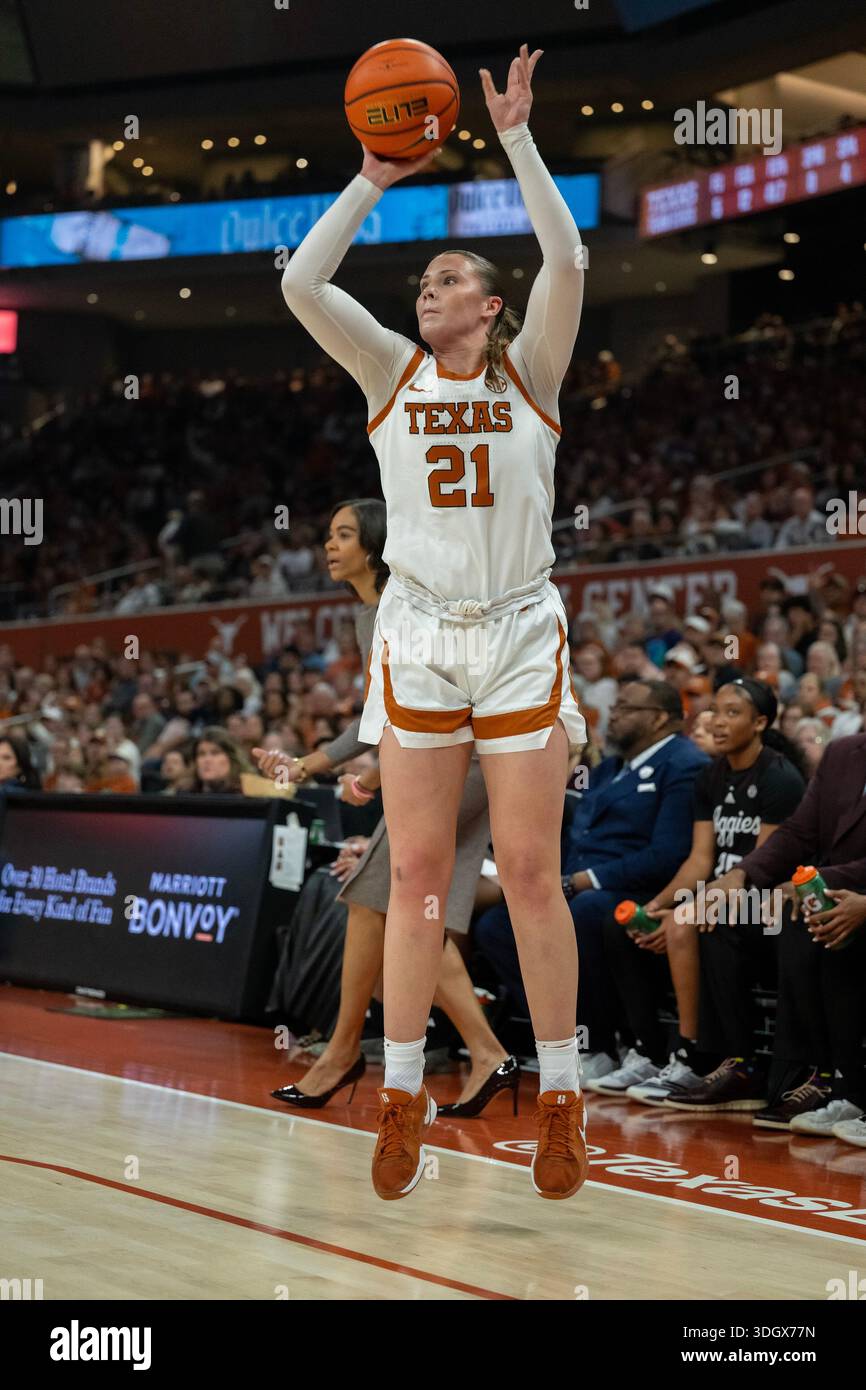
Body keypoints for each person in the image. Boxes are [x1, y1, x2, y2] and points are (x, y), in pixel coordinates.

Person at [279, 45, 589, 1201]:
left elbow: (566, 251)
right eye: (420, 285)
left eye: (446, 281)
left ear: (491, 305)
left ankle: (560, 1098)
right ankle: (399, 1093)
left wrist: (512, 135)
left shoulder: (533, 372)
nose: (424, 293)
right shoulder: (389, 375)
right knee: (411, 874)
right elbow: (302, 287)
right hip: (418, 633)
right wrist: (369, 176)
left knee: (528, 873)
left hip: (515, 629)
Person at [255, 500, 516, 1117]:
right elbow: (385, 714)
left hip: (464, 757)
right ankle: (468, 1053)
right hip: (457, 759)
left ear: (374, 545)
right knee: (389, 905)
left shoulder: (402, 607)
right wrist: (315, 765)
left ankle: (355, 1053)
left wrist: (364, 769)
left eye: (343, 534)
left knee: (379, 896)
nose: (328, 545)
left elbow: (428, 703)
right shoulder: (370, 615)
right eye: (327, 534)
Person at [611, 678, 806, 1110]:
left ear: (759, 723)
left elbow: (763, 866)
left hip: (767, 901)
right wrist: (658, 905)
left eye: (732, 713)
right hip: (715, 895)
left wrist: (688, 910)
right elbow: (700, 861)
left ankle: (697, 1055)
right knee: (629, 923)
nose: (718, 722)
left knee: (692, 925)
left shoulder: (779, 778)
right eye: (715, 711)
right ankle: (648, 1049)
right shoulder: (710, 776)